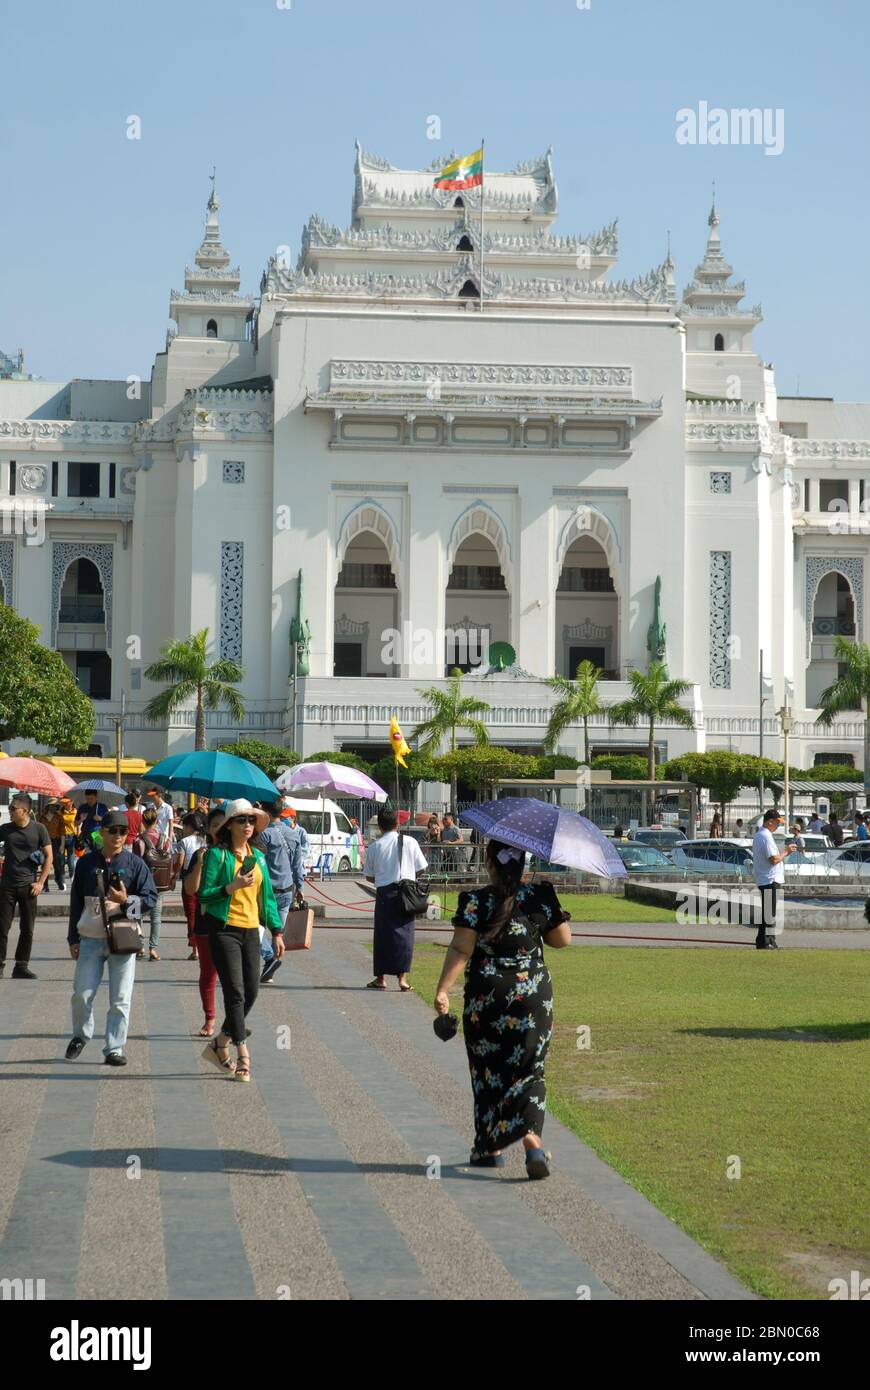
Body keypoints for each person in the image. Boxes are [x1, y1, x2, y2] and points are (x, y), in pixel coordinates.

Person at [434, 839, 572, 1176]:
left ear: (489, 863)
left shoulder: (474, 900)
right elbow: (562, 940)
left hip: (486, 998)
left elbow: (461, 949)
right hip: (533, 998)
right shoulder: (539, 895)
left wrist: (442, 990)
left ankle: (489, 1147)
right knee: (530, 1070)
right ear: (522, 864)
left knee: (487, 1070)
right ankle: (532, 1141)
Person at [198, 799, 284, 1080]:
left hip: (251, 931)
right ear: (229, 825)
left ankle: (220, 1042)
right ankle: (243, 1053)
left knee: (252, 991)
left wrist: (277, 930)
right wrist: (231, 886)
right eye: (241, 820)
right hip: (224, 930)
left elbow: (267, 897)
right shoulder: (216, 855)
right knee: (234, 991)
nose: (247, 825)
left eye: (251, 821)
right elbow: (204, 895)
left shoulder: (257, 856)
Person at [65, 810, 157, 1066]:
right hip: (90, 938)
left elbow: (150, 900)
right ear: (102, 832)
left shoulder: (136, 864)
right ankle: (81, 1035)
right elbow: (75, 904)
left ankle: (114, 1048)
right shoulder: (86, 863)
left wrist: (126, 901)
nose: (118, 836)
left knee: (120, 999)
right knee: (81, 995)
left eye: (123, 832)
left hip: (123, 938)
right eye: (113, 830)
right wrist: (72, 938)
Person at [363, 807, 427, 991]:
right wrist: (410, 876)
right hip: (406, 892)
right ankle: (402, 978)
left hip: (385, 893)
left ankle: (381, 978)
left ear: (380, 826)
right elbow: (422, 867)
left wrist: (383, 876)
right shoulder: (410, 842)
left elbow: (368, 876)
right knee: (405, 935)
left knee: (382, 936)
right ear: (397, 824)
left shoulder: (375, 846)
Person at [0, 794, 52, 979]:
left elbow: (49, 857)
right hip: (6, 885)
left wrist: (40, 882)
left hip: (29, 886)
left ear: (24, 810)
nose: (10, 811)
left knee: (27, 928)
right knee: (2, 927)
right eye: (10, 808)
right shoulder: (5, 829)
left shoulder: (39, 829)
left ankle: (21, 966)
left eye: (13, 808)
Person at [183, 807, 225, 1037]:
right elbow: (191, 888)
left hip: (232, 923)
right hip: (206, 922)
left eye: (223, 824)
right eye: (214, 825)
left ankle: (233, 1020)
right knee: (208, 973)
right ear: (208, 829)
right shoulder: (202, 854)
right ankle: (209, 1018)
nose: (219, 829)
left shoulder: (239, 854)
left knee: (232, 977)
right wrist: (199, 863)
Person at [254, 800, 305, 984]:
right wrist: (300, 887)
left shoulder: (264, 835)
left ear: (266, 813)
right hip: (287, 889)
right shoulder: (293, 834)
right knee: (278, 933)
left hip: (268, 890)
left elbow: (258, 861)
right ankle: (270, 965)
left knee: (255, 930)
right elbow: (297, 864)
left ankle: (269, 959)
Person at [752, 808, 795, 950]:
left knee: (768, 913)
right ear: (769, 822)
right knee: (769, 914)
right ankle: (767, 942)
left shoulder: (761, 835)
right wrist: (786, 851)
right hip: (770, 880)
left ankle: (765, 941)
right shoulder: (765, 836)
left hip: (766, 879)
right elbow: (774, 859)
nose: (778, 826)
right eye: (777, 823)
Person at [132, 807, 164, 960]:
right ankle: (153, 948)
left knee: (138, 914)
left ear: (143, 822)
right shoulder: (164, 839)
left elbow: (135, 862)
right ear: (157, 821)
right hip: (159, 882)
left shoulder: (138, 840)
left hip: (142, 881)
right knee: (156, 916)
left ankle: (140, 946)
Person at [176, 810, 207, 960]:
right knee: (202, 913)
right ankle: (202, 946)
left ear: (189, 827)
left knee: (191, 914)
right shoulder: (205, 841)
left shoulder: (184, 841)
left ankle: (195, 949)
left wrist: (174, 876)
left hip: (189, 878)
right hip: (204, 879)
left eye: (184, 826)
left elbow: (181, 862)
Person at [42, 799, 68, 891]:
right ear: (48, 807)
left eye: (55, 806)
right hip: (44, 842)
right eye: (52, 806)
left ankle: (58, 880)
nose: (54, 807)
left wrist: (62, 844)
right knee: (45, 863)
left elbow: (62, 832)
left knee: (57, 864)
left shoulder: (59, 817)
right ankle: (45, 885)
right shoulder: (41, 817)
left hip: (56, 842)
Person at [61, 797, 78, 882]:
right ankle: (62, 879)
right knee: (61, 859)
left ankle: (72, 875)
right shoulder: (60, 812)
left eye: (67, 802)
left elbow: (78, 825)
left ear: (72, 802)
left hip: (71, 837)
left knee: (70, 859)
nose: (65, 804)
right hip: (61, 837)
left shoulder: (75, 812)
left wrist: (78, 835)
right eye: (63, 803)